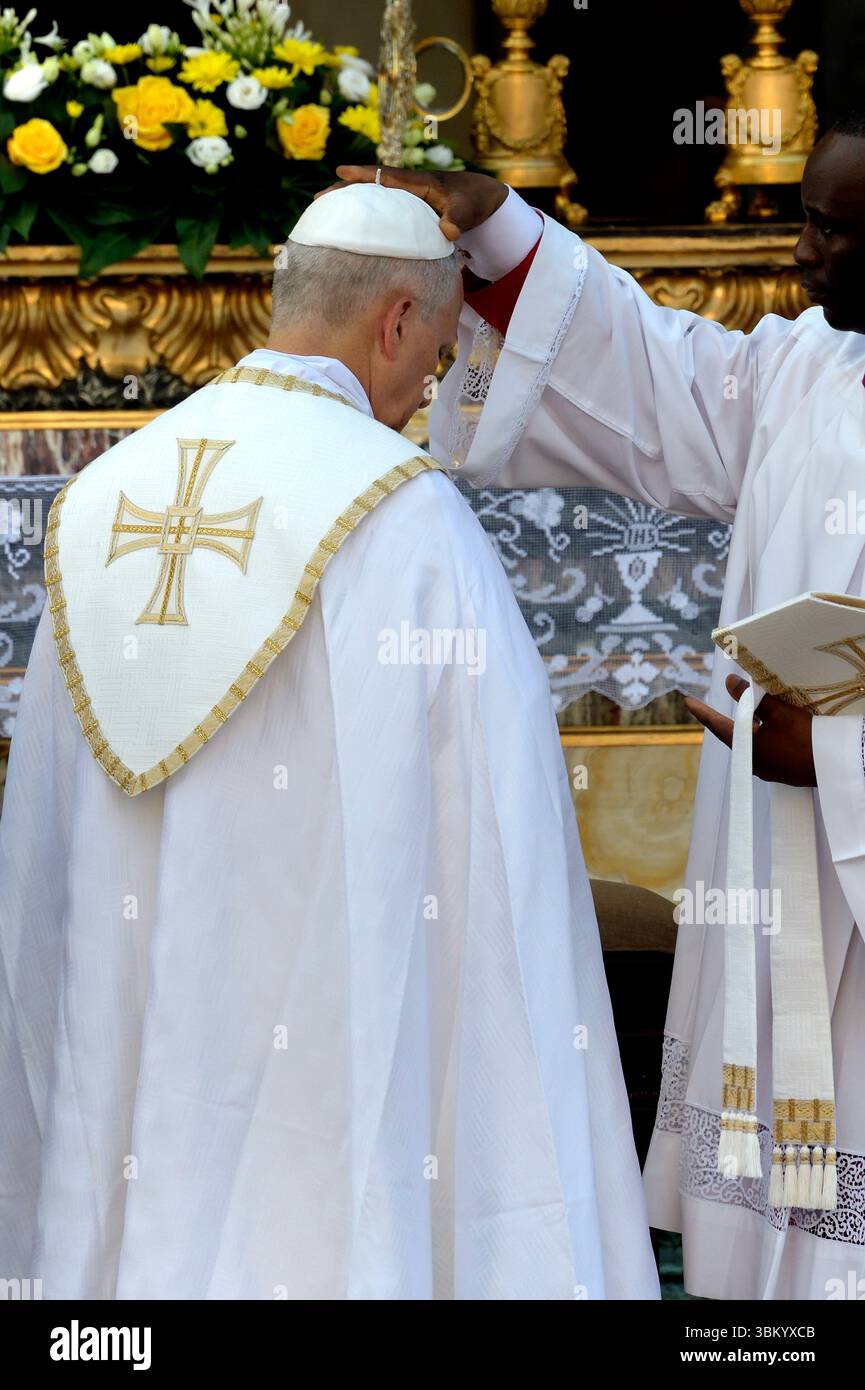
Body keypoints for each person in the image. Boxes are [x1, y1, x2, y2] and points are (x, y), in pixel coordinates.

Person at [0, 182, 658, 1301]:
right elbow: (498, 843)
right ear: (395, 321)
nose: (424, 394)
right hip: (337, 1046)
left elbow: (45, 844)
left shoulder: (100, 502)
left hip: (145, 1013)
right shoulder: (404, 515)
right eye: (436, 358)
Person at [334, 111, 865, 1299]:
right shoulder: (811, 367)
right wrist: (499, 233)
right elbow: (653, 376)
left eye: (833, 232)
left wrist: (836, 745)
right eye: (805, 222)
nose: (802, 256)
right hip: (781, 861)